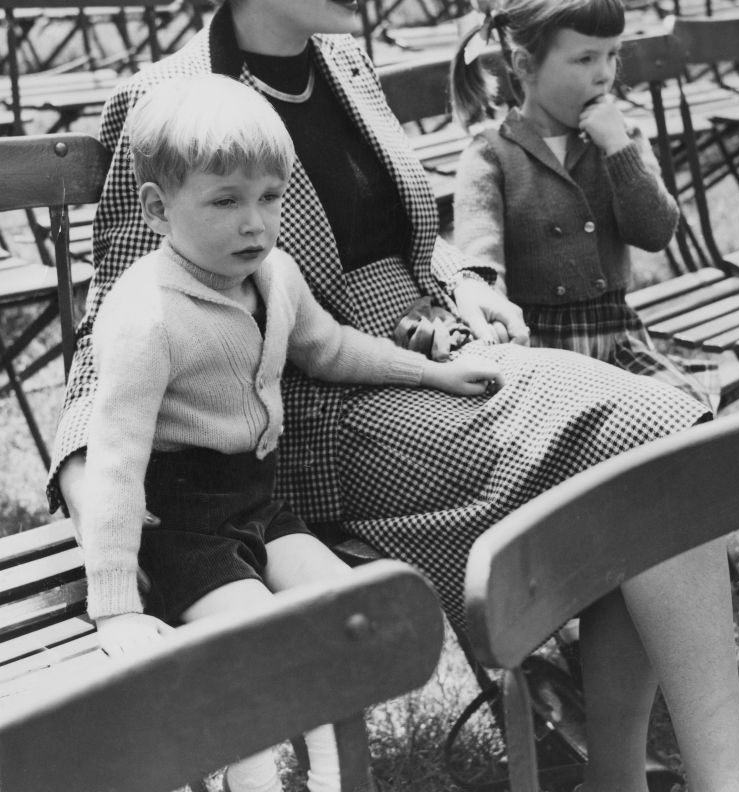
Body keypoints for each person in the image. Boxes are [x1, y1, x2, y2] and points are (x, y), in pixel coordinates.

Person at [50, 0, 739, 792]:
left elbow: (402, 236)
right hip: (324, 415)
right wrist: (101, 508)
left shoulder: (342, 60)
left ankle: (622, 775)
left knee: (657, 441)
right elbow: (115, 337)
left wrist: (470, 284)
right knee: (654, 435)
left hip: (436, 357)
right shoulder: (172, 102)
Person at [81, 74, 501, 792]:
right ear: (156, 209)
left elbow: (328, 348)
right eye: (225, 201)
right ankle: (252, 782)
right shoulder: (146, 316)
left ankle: (334, 778)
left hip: (256, 503)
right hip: (178, 525)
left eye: (270, 198)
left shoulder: (275, 275)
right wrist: (116, 607)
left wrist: (429, 373)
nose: (255, 223)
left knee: (340, 610)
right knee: (258, 643)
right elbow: (114, 460)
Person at [450, 0, 714, 410]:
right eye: (585, 58)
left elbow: (655, 233)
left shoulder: (619, 138)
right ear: (525, 65)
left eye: (612, 55)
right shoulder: (492, 154)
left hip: (618, 342)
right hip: (539, 354)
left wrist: (619, 150)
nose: (604, 73)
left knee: (686, 417)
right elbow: (481, 260)